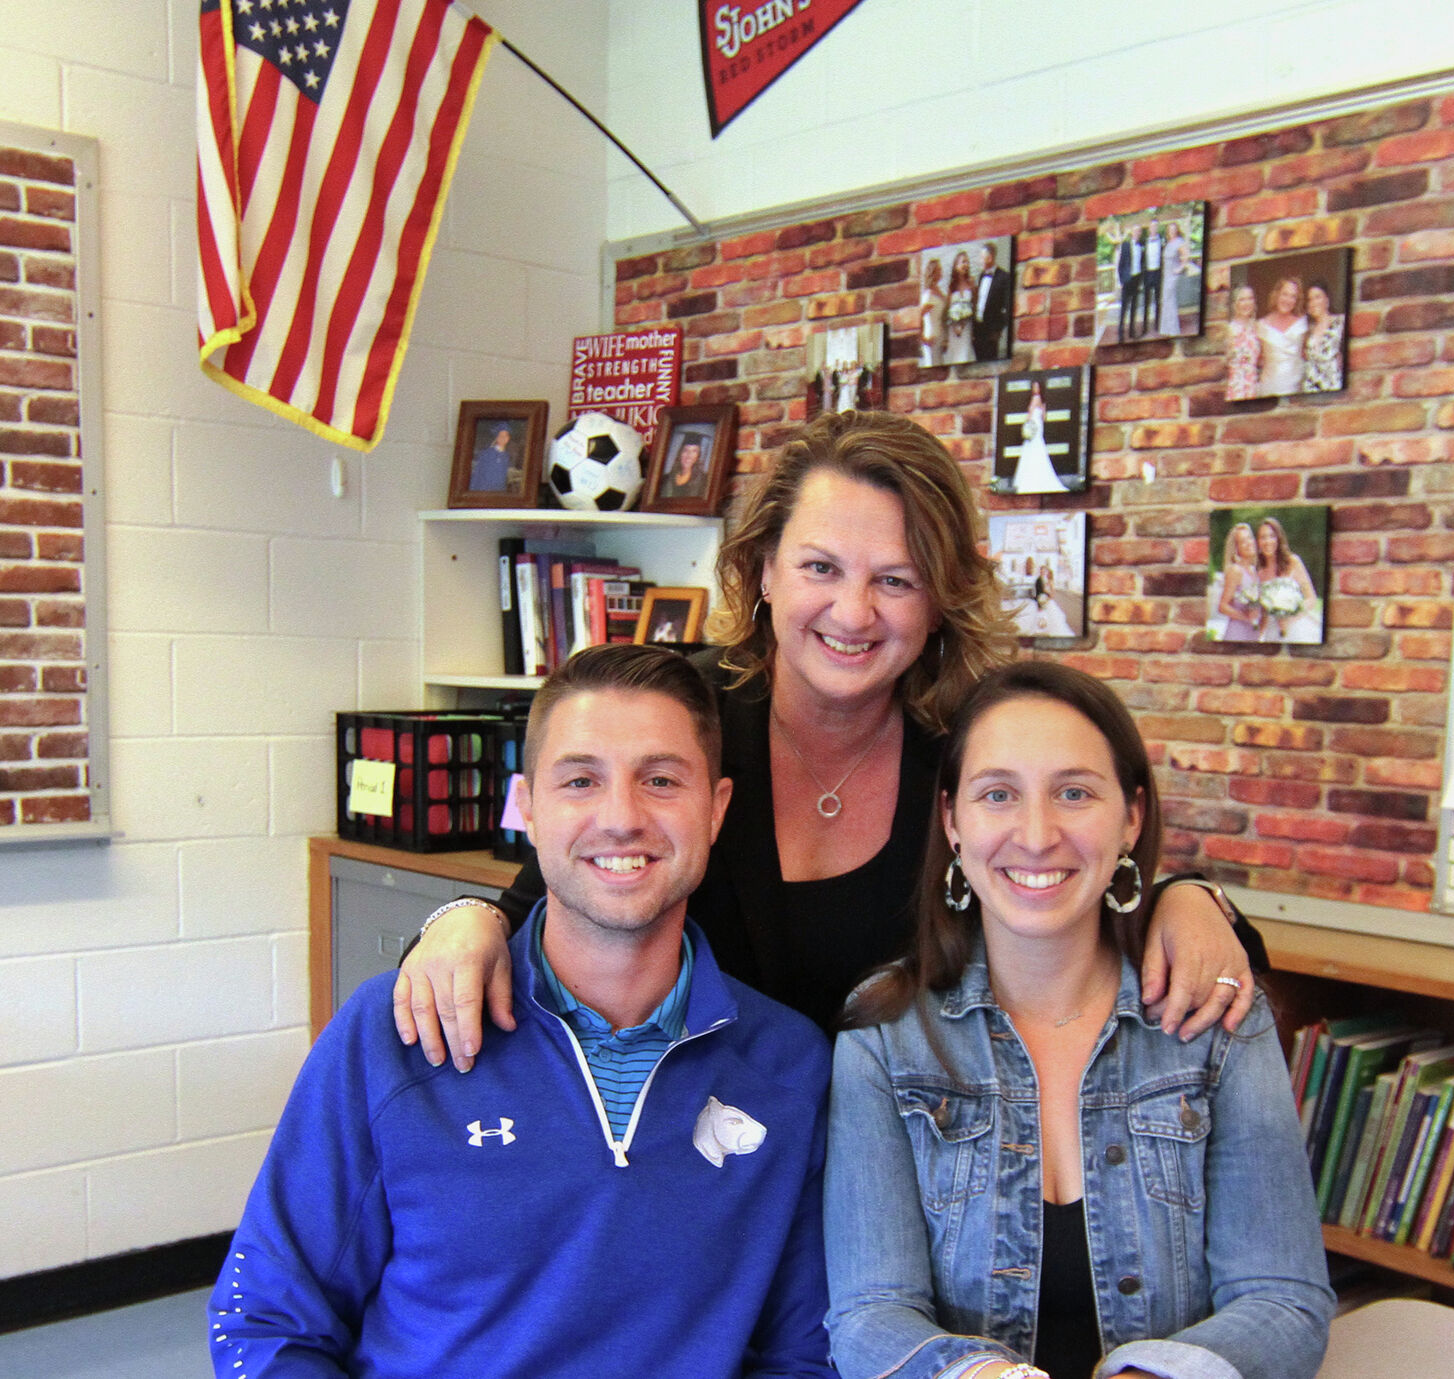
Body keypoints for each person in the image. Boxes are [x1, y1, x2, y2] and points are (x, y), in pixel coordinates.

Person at [393, 409, 1258, 1065]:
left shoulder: (970, 750)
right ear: (765, 568)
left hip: (911, 1171)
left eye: (896, 580)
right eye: (820, 568)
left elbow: (1072, 865)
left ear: (940, 600)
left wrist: (1187, 899)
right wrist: (462, 921)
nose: (853, 612)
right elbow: (547, 896)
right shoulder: (679, 717)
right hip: (699, 1157)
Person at [212, 647, 834, 1379]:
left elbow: (805, 1355)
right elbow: (264, 1319)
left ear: (716, 808)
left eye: (661, 780)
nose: (621, 817)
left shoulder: (788, 1067)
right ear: (529, 808)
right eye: (581, 780)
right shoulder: (395, 1032)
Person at [825, 662, 1334, 1379]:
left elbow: (1284, 1302)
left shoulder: (1217, 1019)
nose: (1037, 835)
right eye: (998, 794)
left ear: (1131, 816)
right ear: (952, 820)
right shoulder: (885, 1034)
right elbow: (870, 1315)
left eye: (1074, 792)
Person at [1254, 517, 1318, 644]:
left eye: (1272, 536)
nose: (1267, 541)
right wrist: (1257, 639)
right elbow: (1264, 614)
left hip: (1296, 630)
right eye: (1263, 537)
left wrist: (1290, 616)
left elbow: (1311, 599)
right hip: (1272, 634)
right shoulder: (1260, 573)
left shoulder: (1293, 562)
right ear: (1258, 542)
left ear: (1279, 538)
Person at [1008, 379, 1064, 495]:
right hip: (1038, 424)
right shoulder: (1043, 402)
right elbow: (1043, 416)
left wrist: (1027, 423)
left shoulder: (1035, 398)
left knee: (1033, 446)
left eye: (1036, 387)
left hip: (1034, 424)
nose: (1035, 389)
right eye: (1034, 387)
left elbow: (1030, 414)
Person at [1255, 276, 1307, 397]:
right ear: (1277, 295)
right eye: (1285, 294)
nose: (1287, 300)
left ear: (1297, 300)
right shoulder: (1261, 325)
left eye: (1293, 296)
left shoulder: (1303, 324)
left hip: (1296, 388)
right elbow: (1256, 358)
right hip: (1269, 388)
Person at [1214, 521, 1263, 642]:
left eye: (1249, 538)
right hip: (1238, 633)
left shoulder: (1254, 571)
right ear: (1236, 549)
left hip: (1253, 633)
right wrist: (1246, 617)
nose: (1249, 543)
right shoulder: (1235, 570)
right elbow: (1222, 606)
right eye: (1243, 541)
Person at [972, 241, 1012, 362]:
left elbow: (1008, 307)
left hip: (991, 332)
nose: (979, 261)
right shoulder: (981, 276)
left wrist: (998, 330)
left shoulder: (1004, 277)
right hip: (978, 330)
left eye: (981, 258)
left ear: (989, 258)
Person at [1301, 281, 1343, 393]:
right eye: (1310, 299)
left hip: (1334, 386)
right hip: (1311, 389)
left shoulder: (1340, 322)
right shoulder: (1308, 330)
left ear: (1327, 300)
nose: (1313, 303)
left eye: (1317, 297)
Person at [1225, 284, 1261, 401]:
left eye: (1250, 298)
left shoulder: (1257, 327)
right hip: (1235, 387)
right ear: (1235, 304)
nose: (1247, 303)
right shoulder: (1229, 329)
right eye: (1242, 299)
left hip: (1253, 386)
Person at [1157, 221, 1189, 338]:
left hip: (1172, 275)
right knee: (1166, 300)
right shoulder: (1168, 242)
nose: (1172, 231)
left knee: (1170, 300)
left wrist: (1179, 268)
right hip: (1166, 275)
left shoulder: (1179, 242)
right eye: (1170, 229)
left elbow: (1186, 256)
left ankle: (1173, 329)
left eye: (1174, 229)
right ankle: (1166, 328)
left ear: (1177, 230)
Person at [945, 251, 977, 365]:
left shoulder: (971, 283)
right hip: (954, 327)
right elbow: (948, 308)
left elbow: (975, 304)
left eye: (967, 262)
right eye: (963, 262)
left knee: (966, 353)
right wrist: (954, 324)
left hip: (967, 326)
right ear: (956, 265)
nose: (966, 265)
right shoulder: (951, 286)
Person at [1115, 224, 1142, 343]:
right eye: (1135, 231)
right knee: (1124, 307)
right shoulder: (1126, 245)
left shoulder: (1141, 245)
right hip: (1127, 280)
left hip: (1137, 279)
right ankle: (1120, 334)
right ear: (1132, 233)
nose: (1137, 233)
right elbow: (1120, 264)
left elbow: (1142, 262)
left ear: (1140, 233)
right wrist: (1121, 280)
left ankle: (1132, 331)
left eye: (1139, 231)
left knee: (1134, 307)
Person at [470, 424, 517, 492]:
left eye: (506, 436)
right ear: (497, 438)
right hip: (483, 490)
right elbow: (477, 474)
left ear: (508, 438)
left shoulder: (506, 456)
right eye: (501, 436)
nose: (503, 438)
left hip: (499, 492)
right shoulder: (486, 453)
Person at [920, 257, 948, 367]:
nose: (941, 272)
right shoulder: (929, 295)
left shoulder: (938, 290)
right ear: (933, 273)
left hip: (940, 336)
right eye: (939, 270)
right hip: (931, 338)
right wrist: (923, 339)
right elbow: (919, 317)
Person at [1140, 219, 1164, 336]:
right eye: (1152, 227)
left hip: (1158, 273)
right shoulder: (1144, 241)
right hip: (1147, 273)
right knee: (1146, 300)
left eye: (1155, 226)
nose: (1153, 228)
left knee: (1158, 300)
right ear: (1149, 228)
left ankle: (1157, 325)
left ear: (1157, 228)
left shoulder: (1162, 240)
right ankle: (1145, 326)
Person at [665, 433, 707, 498]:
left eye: (694, 451)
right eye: (685, 450)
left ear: (698, 456)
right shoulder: (666, 478)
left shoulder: (703, 481)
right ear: (680, 453)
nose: (689, 456)